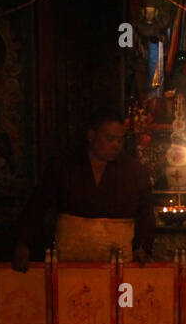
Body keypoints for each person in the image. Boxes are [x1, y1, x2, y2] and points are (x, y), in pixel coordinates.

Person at [12, 111, 155, 268]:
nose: (116, 145)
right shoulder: (65, 166)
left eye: (120, 141)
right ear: (91, 136)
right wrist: (23, 243)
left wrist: (142, 247)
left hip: (118, 260)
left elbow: (145, 213)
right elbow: (39, 204)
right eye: (110, 139)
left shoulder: (134, 171)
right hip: (69, 257)